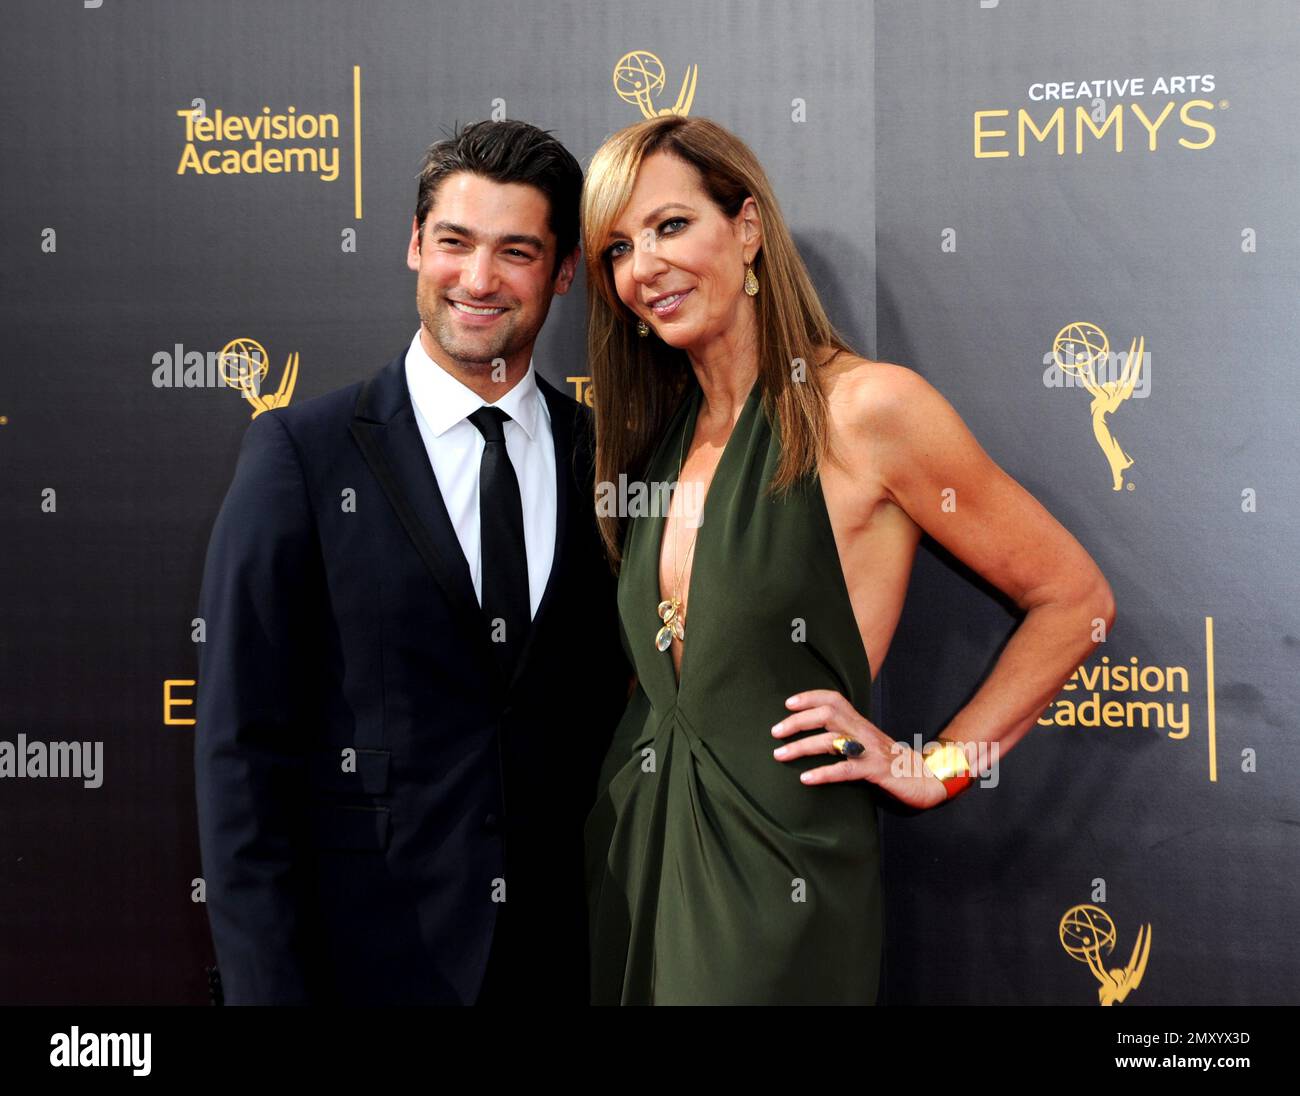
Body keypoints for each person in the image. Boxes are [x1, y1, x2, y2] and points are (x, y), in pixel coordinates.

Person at [579, 115, 1117, 1005]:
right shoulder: (665, 441)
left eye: (672, 225)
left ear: (746, 227)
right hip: (633, 858)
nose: (644, 268)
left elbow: (1074, 598)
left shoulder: (867, 412)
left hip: (776, 875)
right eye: (618, 249)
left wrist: (933, 765)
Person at [194, 119, 630, 1005]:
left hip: (565, 960)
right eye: (454, 243)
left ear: (562, 272)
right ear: (413, 246)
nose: (478, 280)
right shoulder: (301, 455)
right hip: (364, 962)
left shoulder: (610, 459)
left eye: (516, 251)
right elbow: (242, 753)